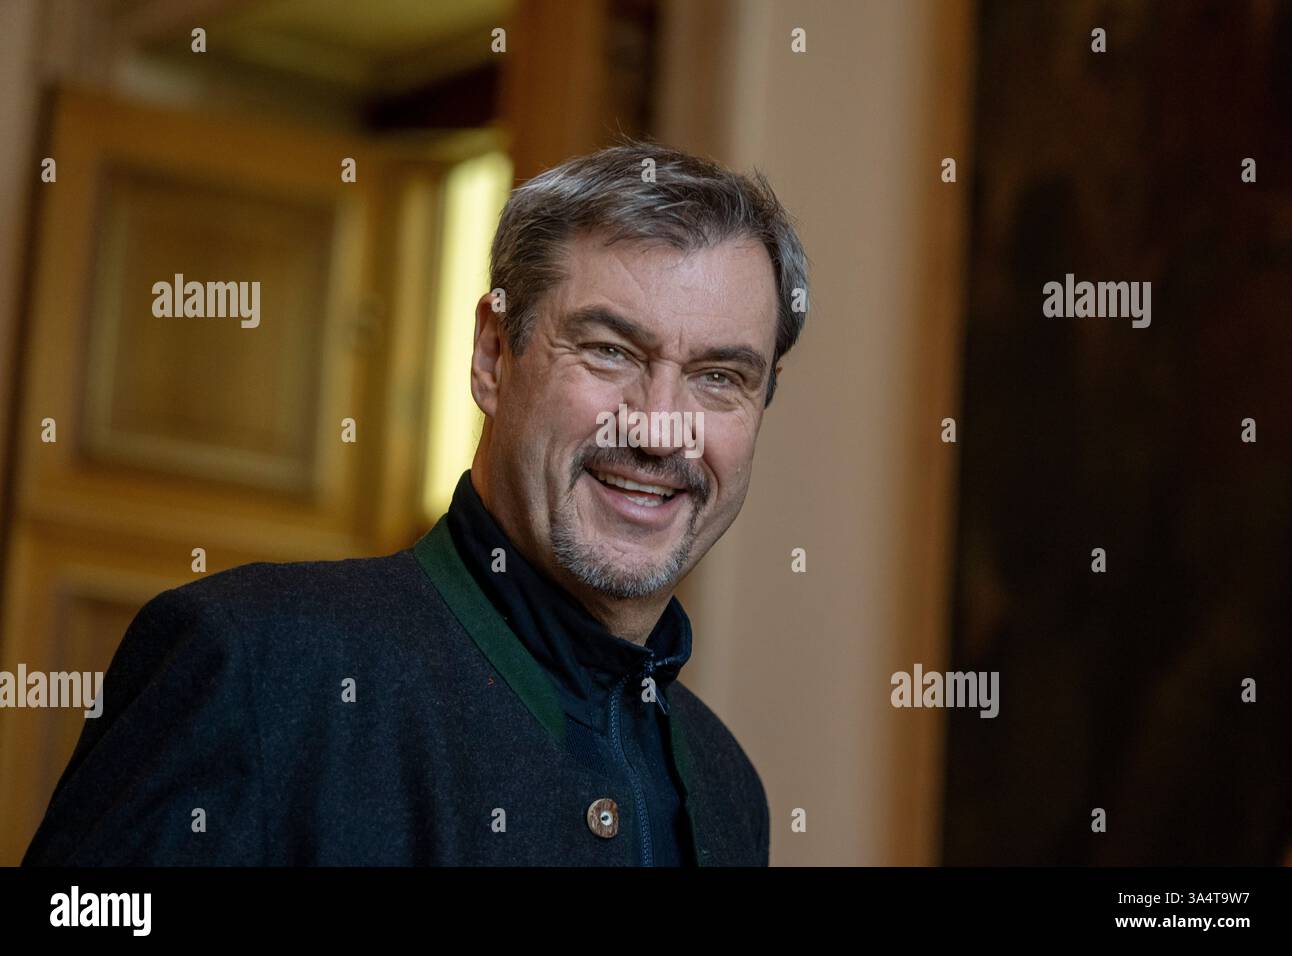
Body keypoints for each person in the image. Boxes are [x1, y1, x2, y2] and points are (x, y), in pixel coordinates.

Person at [23, 140, 810, 866]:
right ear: (493, 356)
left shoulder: (728, 789)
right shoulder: (254, 666)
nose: (658, 430)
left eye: (719, 377)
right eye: (609, 351)